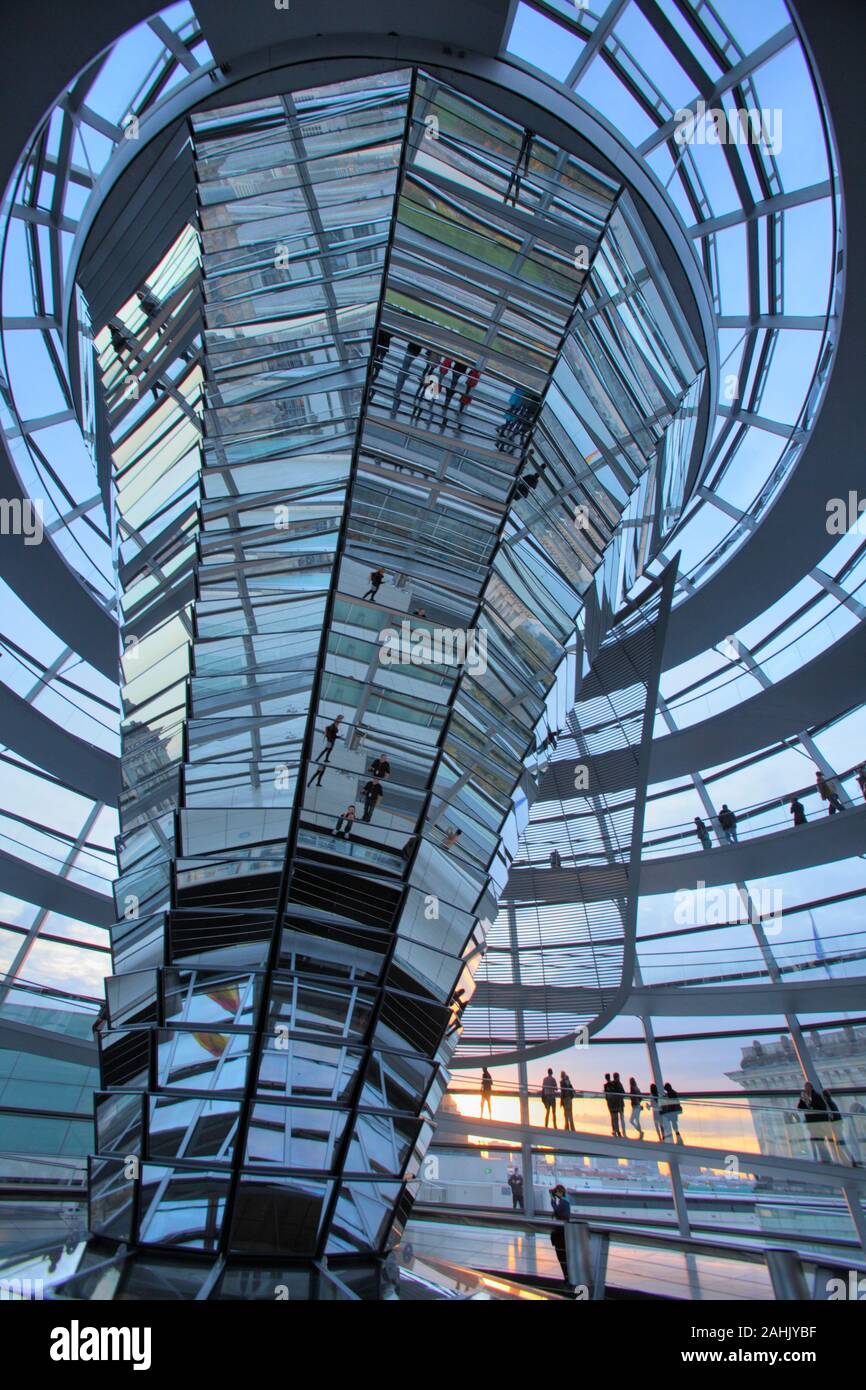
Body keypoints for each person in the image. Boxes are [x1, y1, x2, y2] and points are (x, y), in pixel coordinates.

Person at [798, 1082, 831, 1162]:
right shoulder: (806, 1096)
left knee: (819, 1141)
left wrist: (812, 1109)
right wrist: (803, 1099)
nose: (806, 1089)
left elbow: (823, 1109)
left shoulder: (816, 1096)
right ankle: (818, 1158)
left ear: (811, 1088)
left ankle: (825, 1158)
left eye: (807, 1087)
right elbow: (800, 1107)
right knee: (815, 1141)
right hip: (812, 1123)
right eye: (805, 1087)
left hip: (817, 1123)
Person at [389, 339, 423, 415]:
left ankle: (397, 392)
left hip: (412, 350)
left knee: (403, 370)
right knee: (404, 369)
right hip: (414, 351)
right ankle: (397, 392)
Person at [549, 1185, 571, 1284]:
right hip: (561, 1233)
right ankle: (567, 1278)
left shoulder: (562, 1202)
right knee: (563, 1257)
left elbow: (557, 1210)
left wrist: (553, 1201)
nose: (556, 1194)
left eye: (557, 1192)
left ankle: (568, 1278)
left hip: (560, 1234)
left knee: (562, 1257)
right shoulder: (564, 1202)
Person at [610, 1071, 626, 1137]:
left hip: (615, 1104)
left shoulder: (612, 1084)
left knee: (615, 1119)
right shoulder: (619, 1084)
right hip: (619, 1104)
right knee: (620, 1119)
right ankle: (621, 1132)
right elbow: (623, 1093)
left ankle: (617, 1131)